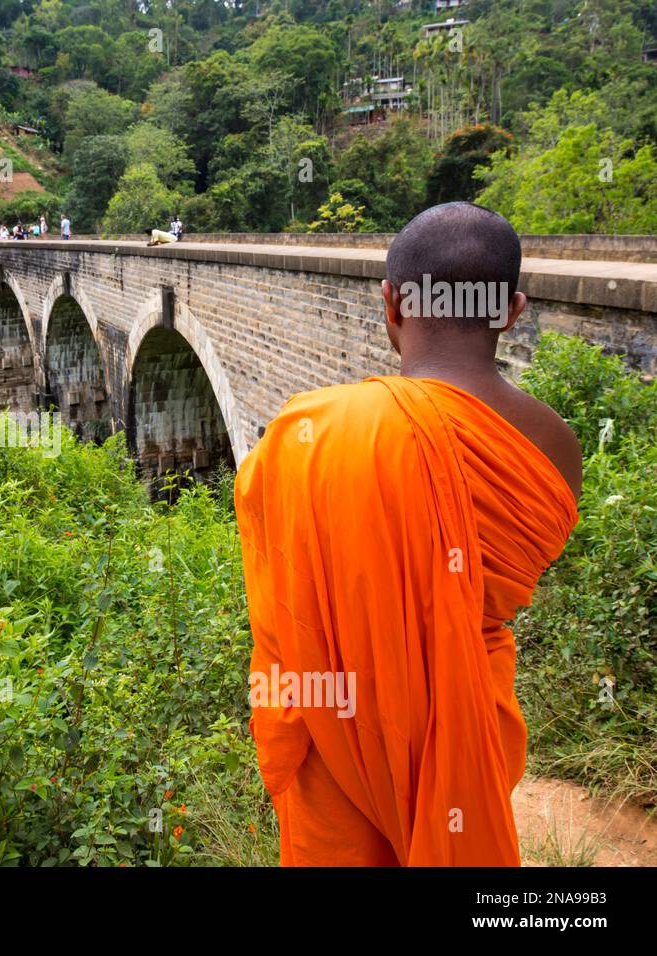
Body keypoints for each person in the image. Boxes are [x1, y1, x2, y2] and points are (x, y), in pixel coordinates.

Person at [235, 202, 582, 867]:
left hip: (336, 745)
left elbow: (284, 600)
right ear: (511, 310)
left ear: (391, 304)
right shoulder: (555, 447)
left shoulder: (309, 432)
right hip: (469, 724)